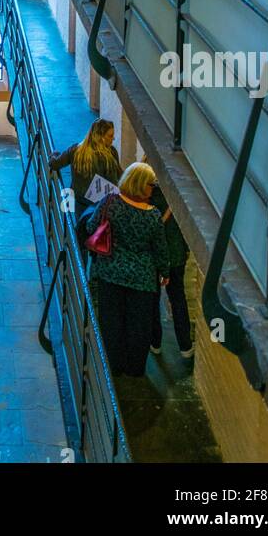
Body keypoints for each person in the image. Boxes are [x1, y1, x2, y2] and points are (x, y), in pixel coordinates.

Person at [82, 162, 170, 379]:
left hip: (110, 272)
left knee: (111, 322)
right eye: (152, 184)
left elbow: (91, 227)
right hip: (141, 279)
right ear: (142, 185)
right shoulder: (153, 216)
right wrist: (164, 272)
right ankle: (134, 368)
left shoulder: (110, 203)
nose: (154, 188)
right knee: (138, 326)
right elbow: (160, 248)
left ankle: (111, 365)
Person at [148, 179, 194, 359]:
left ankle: (155, 342)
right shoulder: (178, 197)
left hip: (154, 257)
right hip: (176, 255)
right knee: (178, 299)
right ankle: (185, 346)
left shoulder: (150, 197)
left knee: (153, 299)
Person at [49, 119, 121, 218]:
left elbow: (55, 164)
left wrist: (54, 155)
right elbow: (117, 179)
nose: (113, 139)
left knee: (80, 229)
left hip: (80, 202)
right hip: (101, 205)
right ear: (100, 137)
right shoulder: (110, 154)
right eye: (110, 136)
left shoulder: (76, 150)